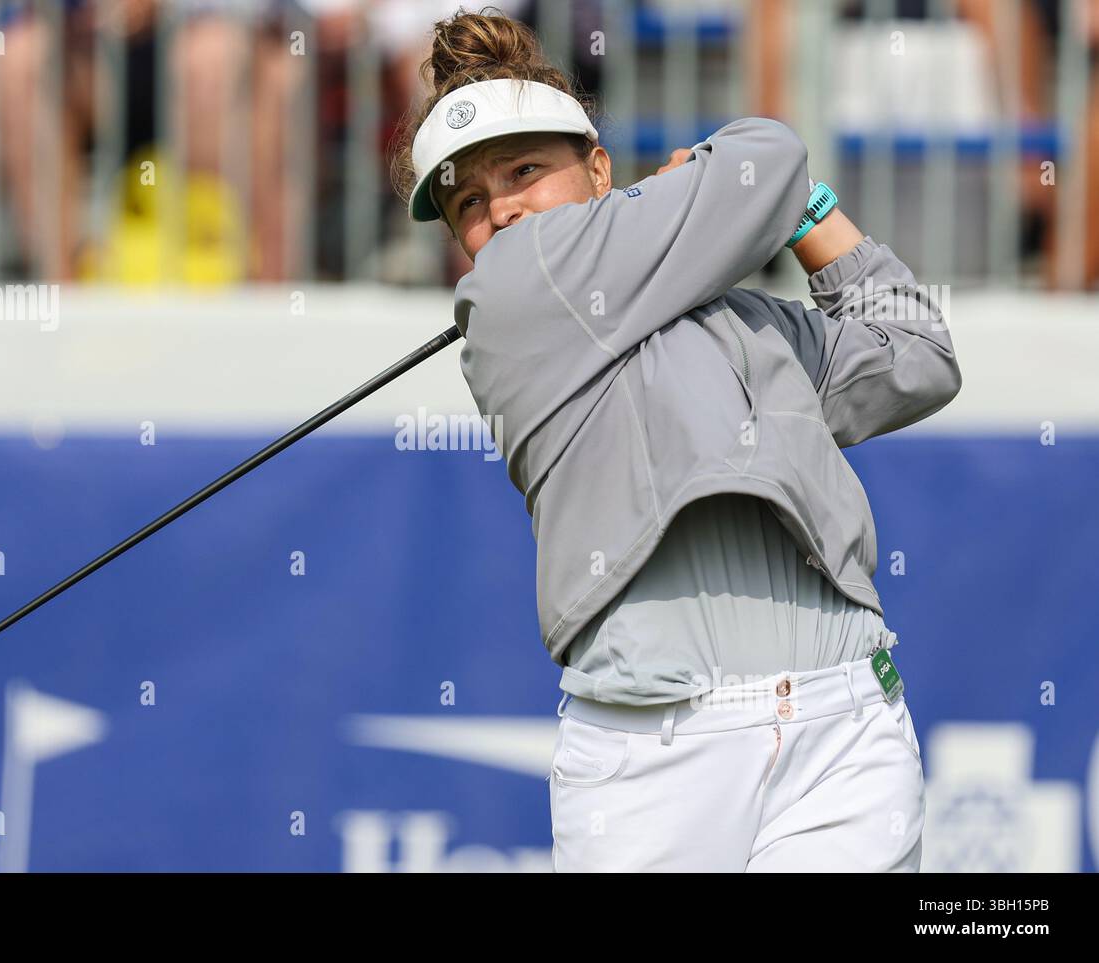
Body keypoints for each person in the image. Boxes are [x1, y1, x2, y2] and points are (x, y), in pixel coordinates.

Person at [391, 8, 962, 871]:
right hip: (652, 759)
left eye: (523, 170)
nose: (502, 211)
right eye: (468, 201)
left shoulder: (743, 322)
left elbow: (917, 354)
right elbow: (765, 156)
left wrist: (808, 213)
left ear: (598, 169)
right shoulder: (505, 299)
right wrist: (731, 188)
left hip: (845, 728)